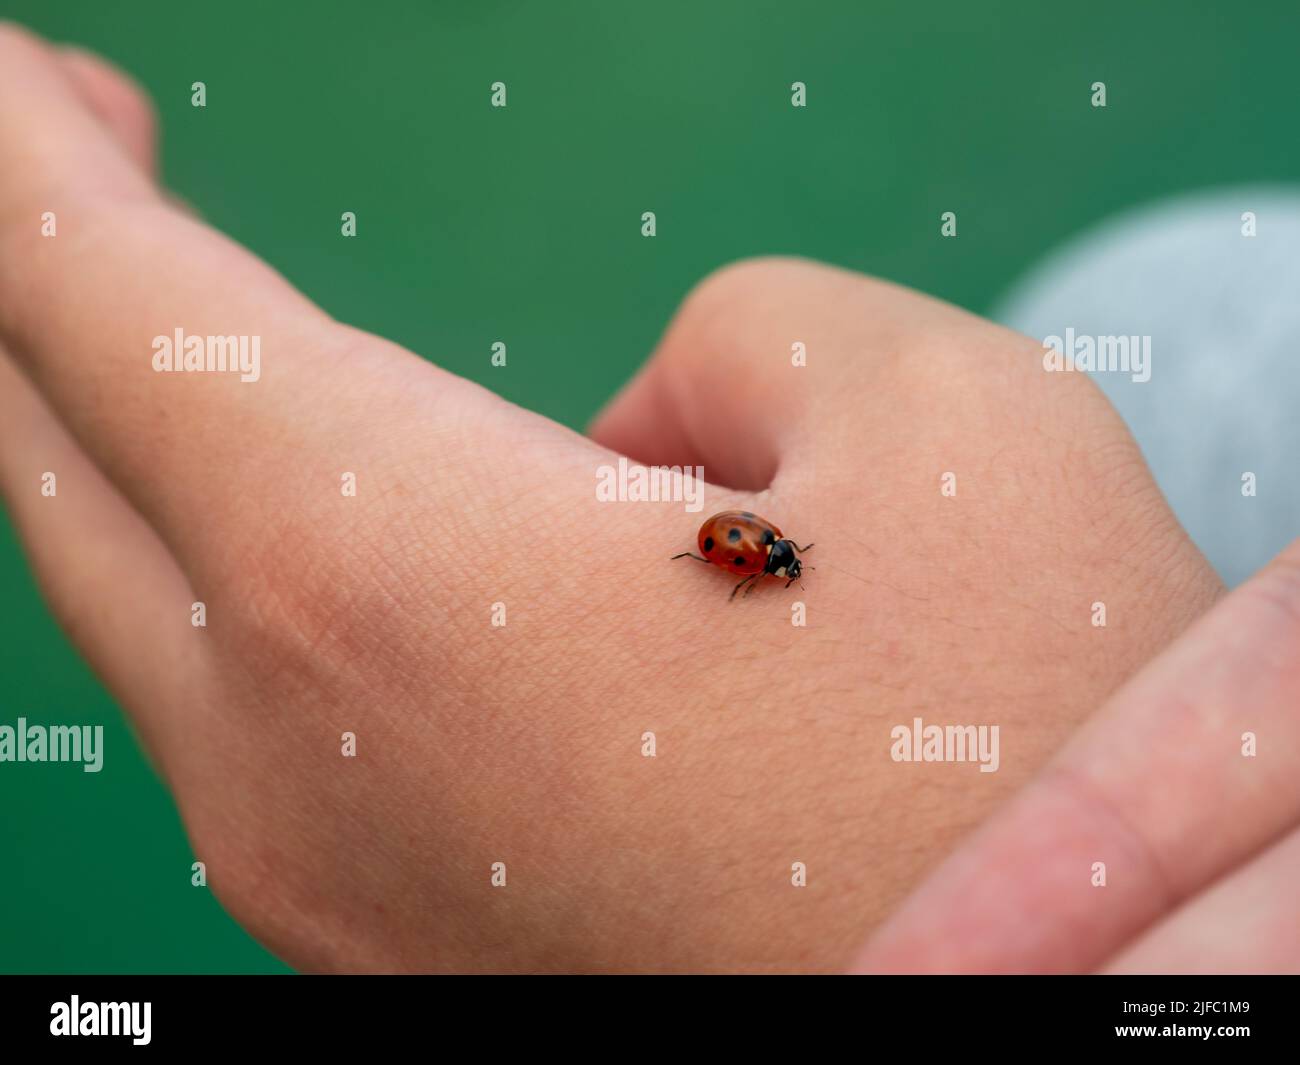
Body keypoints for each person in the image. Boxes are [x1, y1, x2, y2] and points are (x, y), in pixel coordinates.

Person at [0, 23, 1291, 972]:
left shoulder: (753, 550)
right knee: (1146, 324)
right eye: (765, 559)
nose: (764, 559)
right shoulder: (746, 549)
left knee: (1145, 327)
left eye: (764, 559)